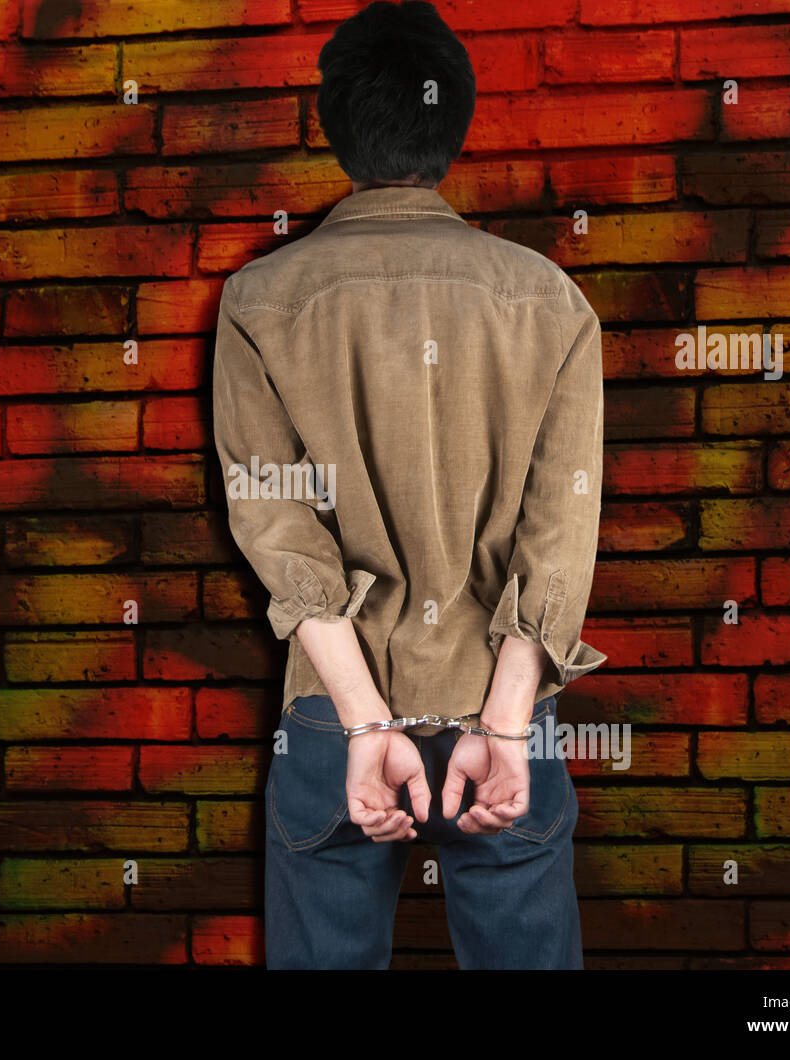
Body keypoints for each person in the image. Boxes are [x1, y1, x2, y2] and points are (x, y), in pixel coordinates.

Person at [211, 0, 607, 969]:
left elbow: (278, 536)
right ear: (454, 121)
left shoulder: (260, 303)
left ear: (332, 125)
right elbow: (560, 536)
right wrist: (505, 727)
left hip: (330, 723)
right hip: (499, 720)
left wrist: (363, 723)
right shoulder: (550, 303)